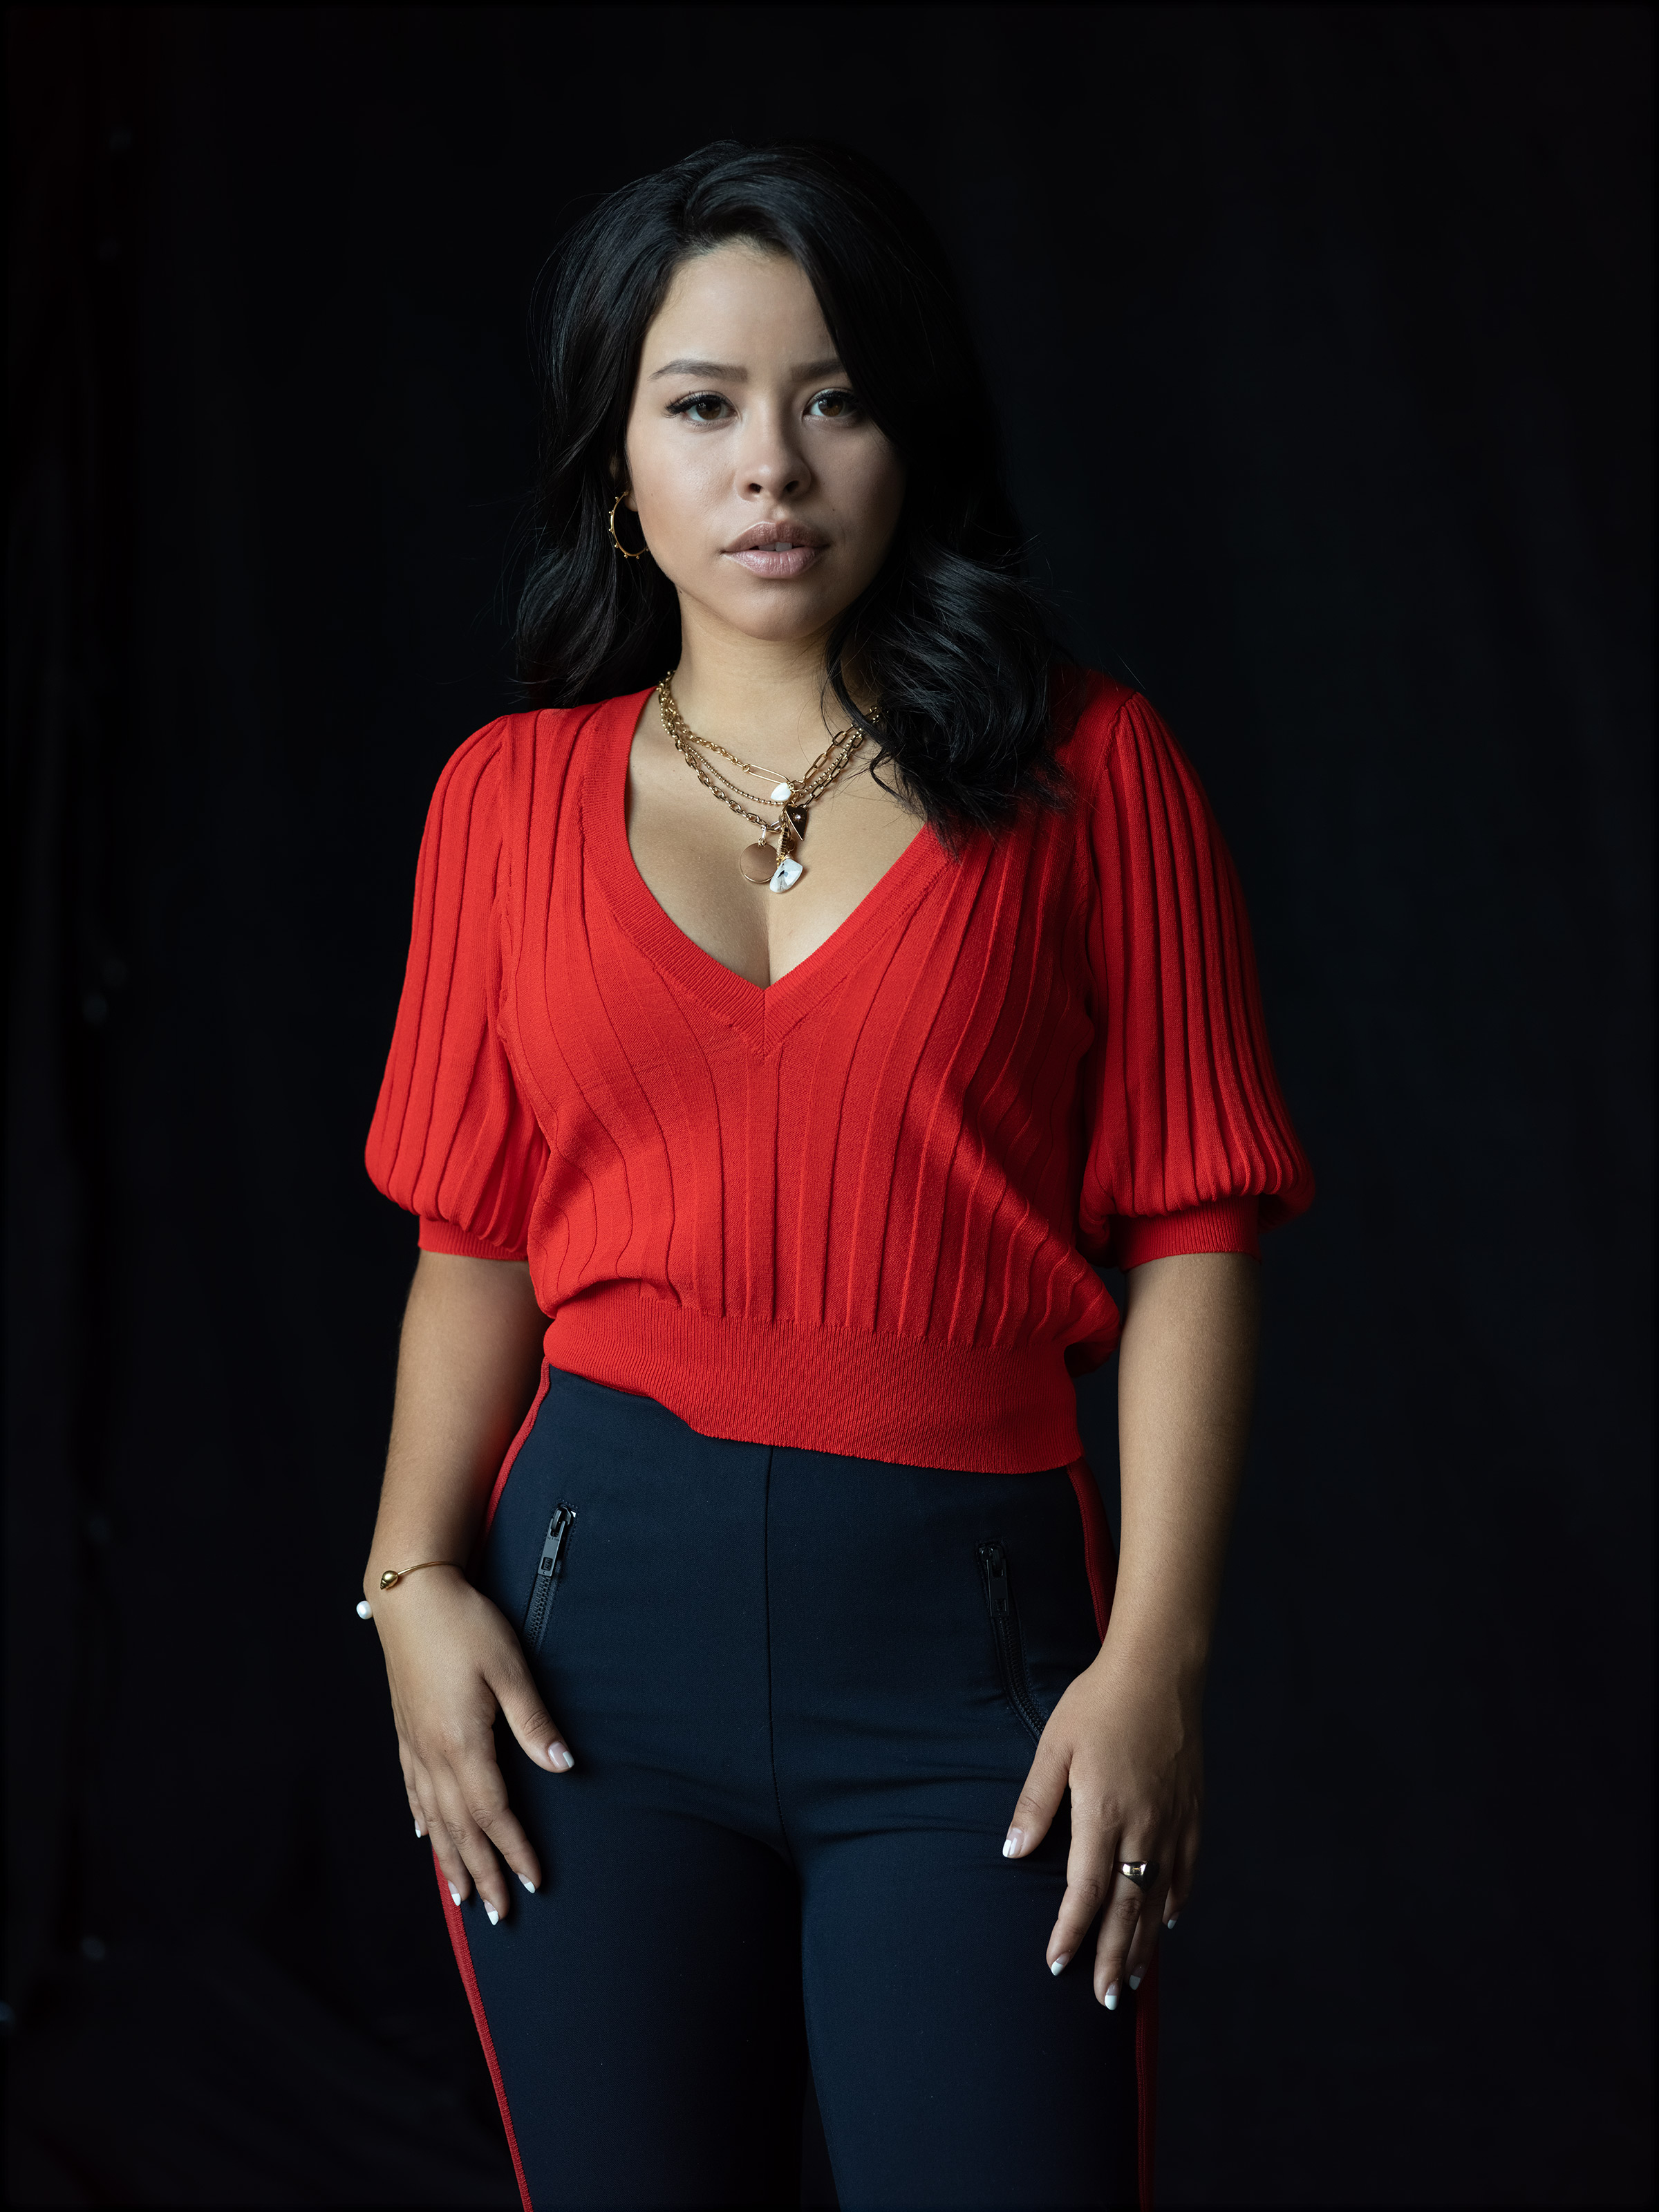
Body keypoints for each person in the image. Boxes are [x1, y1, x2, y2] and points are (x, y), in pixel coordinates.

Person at [359, 140, 1311, 2212]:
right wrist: (410, 1583)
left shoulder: (1091, 771)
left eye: (835, 396)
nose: (768, 464)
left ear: (912, 437)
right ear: (622, 471)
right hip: (586, 1658)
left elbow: (1196, 1234)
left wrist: (1155, 1658)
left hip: (978, 1664)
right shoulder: (502, 804)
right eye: (702, 406)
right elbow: (472, 1240)